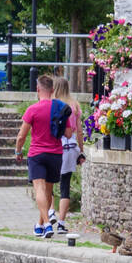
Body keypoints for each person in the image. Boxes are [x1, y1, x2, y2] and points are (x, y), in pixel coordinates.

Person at [13, 74, 76, 238]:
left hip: (37, 154)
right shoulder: (61, 108)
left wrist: (18, 151)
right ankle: (40, 225)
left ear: (38, 89)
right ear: (53, 90)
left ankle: (47, 224)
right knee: (48, 192)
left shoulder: (32, 110)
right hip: (56, 154)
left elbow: (21, 136)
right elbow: (69, 133)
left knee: (39, 190)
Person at [51, 75, 85, 232]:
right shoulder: (74, 105)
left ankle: (50, 212)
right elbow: (79, 132)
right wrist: (81, 151)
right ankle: (61, 223)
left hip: (54, 147)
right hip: (70, 149)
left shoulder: (51, 105)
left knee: (47, 183)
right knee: (65, 185)